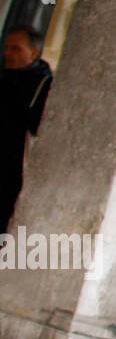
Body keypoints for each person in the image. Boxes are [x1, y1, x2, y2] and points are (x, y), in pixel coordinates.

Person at [0, 27, 53, 232]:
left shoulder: (43, 86)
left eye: (15, 48)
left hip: (13, 174)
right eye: (6, 48)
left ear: (33, 53)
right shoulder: (5, 80)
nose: (7, 53)